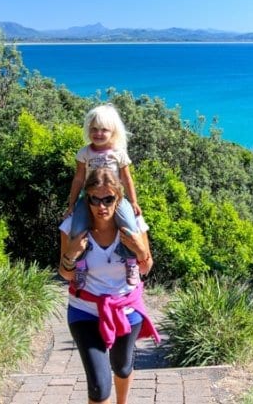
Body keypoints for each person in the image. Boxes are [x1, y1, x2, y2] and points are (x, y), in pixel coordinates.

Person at [59, 167, 160, 404]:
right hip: (84, 310)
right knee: (99, 386)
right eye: (95, 198)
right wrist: (72, 254)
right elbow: (65, 273)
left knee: (122, 367)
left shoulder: (133, 224)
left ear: (118, 197)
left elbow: (145, 268)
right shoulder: (72, 228)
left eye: (108, 199)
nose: (101, 206)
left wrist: (140, 249)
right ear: (88, 198)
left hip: (126, 309)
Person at [64, 103, 142, 285]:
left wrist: (133, 202)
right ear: (88, 129)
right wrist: (72, 204)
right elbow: (78, 179)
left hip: (116, 198)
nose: (98, 133)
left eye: (104, 130)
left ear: (113, 132)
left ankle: (131, 262)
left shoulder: (118, 153)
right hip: (89, 198)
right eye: (94, 129)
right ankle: (81, 264)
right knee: (77, 230)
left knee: (130, 227)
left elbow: (127, 178)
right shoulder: (84, 152)